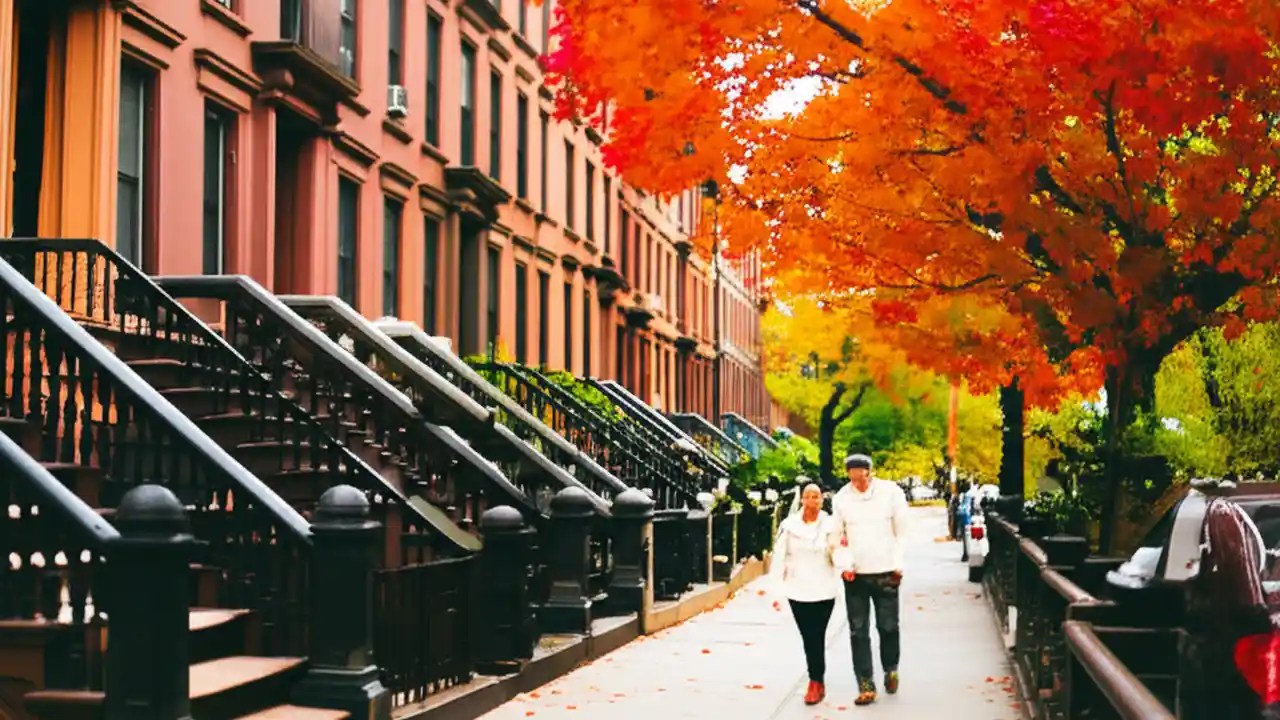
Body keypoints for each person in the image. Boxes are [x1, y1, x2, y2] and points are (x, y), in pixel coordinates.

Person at [831, 453, 909, 706]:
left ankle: (890, 669)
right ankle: (865, 683)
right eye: (852, 477)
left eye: (861, 476)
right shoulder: (841, 499)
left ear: (870, 472)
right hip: (856, 574)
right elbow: (837, 536)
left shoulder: (891, 493)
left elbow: (902, 532)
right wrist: (844, 564)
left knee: (888, 626)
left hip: (886, 570)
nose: (858, 482)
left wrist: (899, 565)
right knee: (858, 630)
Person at [769, 482, 841, 705]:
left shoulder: (831, 524)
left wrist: (840, 559)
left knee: (816, 635)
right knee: (809, 635)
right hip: (797, 589)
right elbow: (779, 558)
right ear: (802, 499)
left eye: (817, 496)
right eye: (809, 496)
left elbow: (839, 552)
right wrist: (776, 590)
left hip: (824, 588)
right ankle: (816, 680)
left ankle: (816, 680)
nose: (813, 500)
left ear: (822, 500)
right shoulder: (789, 526)